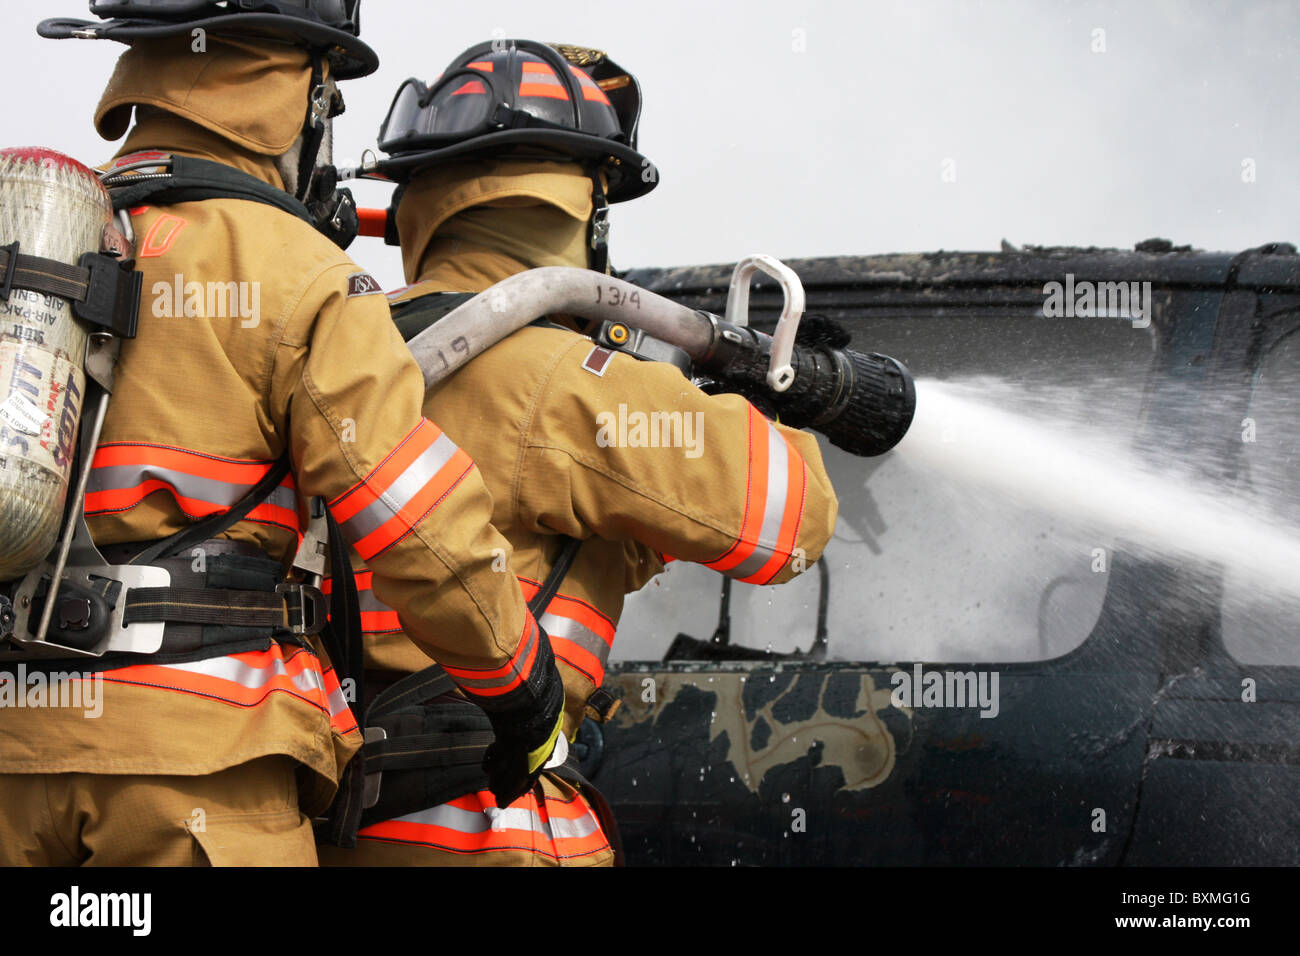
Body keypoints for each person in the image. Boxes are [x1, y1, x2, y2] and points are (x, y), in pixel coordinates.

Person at [0, 3, 564, 866]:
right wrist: (520, 684)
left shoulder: (32, 245)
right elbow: (419, 525)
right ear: (303, 94)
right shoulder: (295, 268)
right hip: (196, 771)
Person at [319, 40, 839, 866]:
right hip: (490, 831)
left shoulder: (334, 346)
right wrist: (768, 398)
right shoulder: (561, 378)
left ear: (419, 201)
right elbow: (789, 521)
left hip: (324, 825)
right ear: (584, 211)